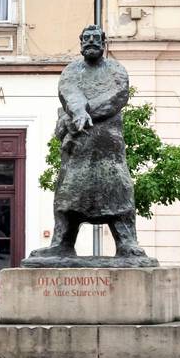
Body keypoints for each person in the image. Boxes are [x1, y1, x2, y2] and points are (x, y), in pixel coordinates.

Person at [26, 24, 155, 266]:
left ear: (104, 42)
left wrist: (83, 113)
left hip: (108, 145)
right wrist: (77, 111)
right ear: (81, 41)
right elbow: (69, 92)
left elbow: (117, 97)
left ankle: (126, 242)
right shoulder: (71, 70)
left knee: (118, 191)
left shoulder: (117, 70)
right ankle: (62, 243)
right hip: (78, 145)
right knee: (68, 194)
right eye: (86, 38)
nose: (91, 42)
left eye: (96, 38)